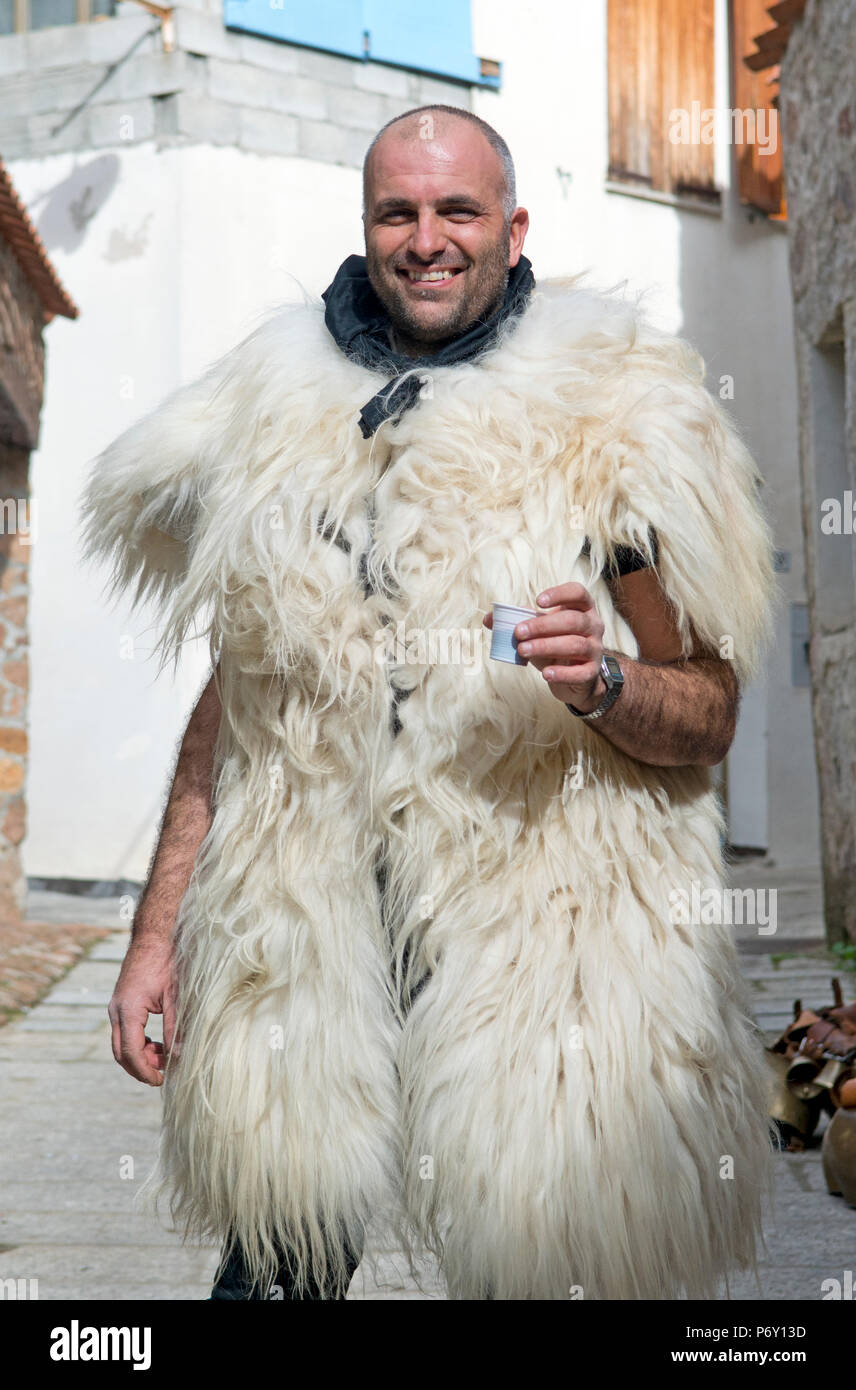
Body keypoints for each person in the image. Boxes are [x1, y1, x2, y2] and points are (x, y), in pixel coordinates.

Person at [82, 105, 778, 1301]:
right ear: (366, 226)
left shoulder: (610, 410)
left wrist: (603, 681)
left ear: (511, 226)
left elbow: (706, 705)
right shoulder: (268, 408)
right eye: (397, 211)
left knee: (545, 1263)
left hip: (540, 933)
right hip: (306, 922)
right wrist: (157, 935)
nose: (426, 239)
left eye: (456, 211)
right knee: (275, 1270)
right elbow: (237, 700)